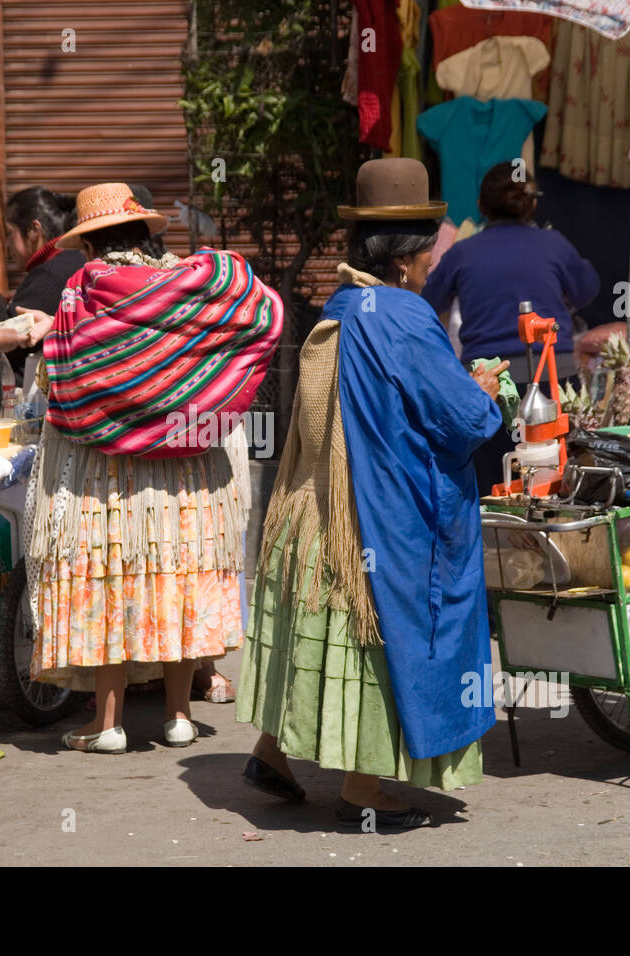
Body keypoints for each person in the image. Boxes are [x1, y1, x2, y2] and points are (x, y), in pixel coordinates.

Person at [238, 158, 507, 832]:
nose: (432, 262)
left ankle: (274, 750)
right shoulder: (404, 318)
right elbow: (463, 421)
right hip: (379, 517)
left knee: (316, 633)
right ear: (405, 259)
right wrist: (484, 392)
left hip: (318, 504)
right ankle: (365, 788)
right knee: (380, 639)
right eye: (429, 249)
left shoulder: (345, 303)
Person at [25, 182, 282, 753]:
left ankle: (108, 722)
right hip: (187, 465)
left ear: (90, 244)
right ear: (144, 233)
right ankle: (179, 715)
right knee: (176, 577)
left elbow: (66, 377)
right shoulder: (193, 285)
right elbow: (257, 315)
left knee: (115, 577)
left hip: (110, 470)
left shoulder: (82, 291)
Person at [422, 162, 599, 493]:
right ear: (532, 203)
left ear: (481, 206)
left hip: (489, 383)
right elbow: (587, 287)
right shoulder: (554, 244)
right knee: (558, 484)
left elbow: (428, 301)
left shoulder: (463, 253)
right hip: (555, 381)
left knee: (496, 486)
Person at [0, 185, 84, 382]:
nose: (7, 244)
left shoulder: (52, 271)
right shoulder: (65, 261)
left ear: (34, 230)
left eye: (10, 232)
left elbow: (8, 330)